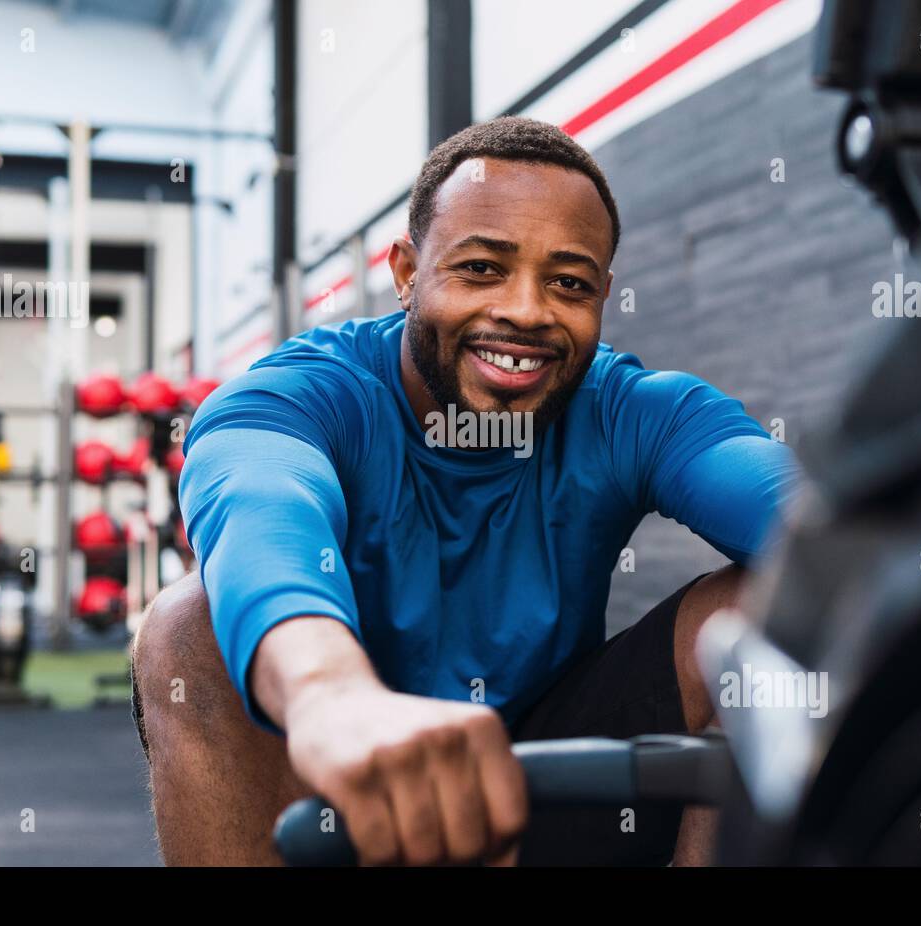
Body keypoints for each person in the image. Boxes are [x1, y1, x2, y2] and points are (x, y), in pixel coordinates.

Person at [132, 116, 799, 866]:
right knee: (188, 624)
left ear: (604, 294)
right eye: (482, 269)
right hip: (343, 796)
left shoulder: (630, 410)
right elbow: (263, 515)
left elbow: (810, 527)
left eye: (568, 283)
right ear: (407, 270)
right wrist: (330, 698)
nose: (525, 310)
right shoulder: (307, 396)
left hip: (547, 786)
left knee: (769, 606)